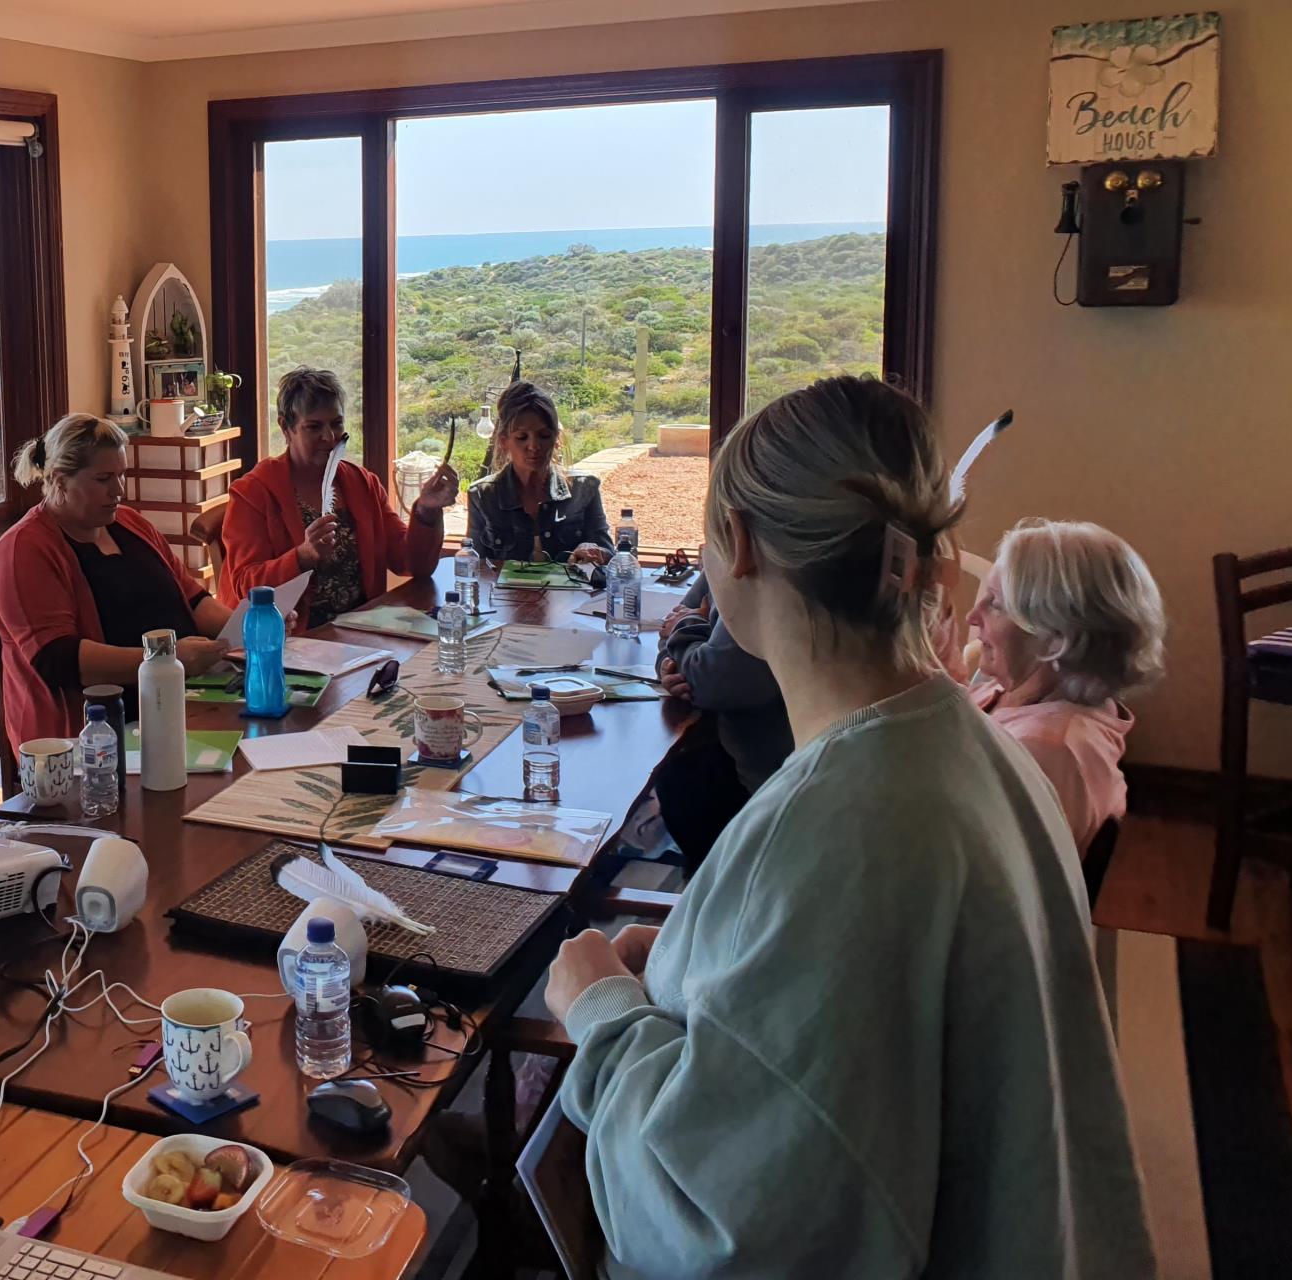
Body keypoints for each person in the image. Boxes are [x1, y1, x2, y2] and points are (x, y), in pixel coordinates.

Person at [545, 376, 1154, 1278]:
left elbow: (712, 1226)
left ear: (738, 548)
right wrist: (705, 948)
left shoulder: (838, 822)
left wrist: (599, 1013)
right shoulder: (967, 752)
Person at [0, 413, 233, 752]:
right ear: (59, 479)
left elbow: (191, 599)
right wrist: (165, 662)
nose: (118, 490)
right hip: (90, 733)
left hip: (175, 701)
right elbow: (60, 661)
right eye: (103, 479)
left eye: (121, 475)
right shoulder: (24, 551)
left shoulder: (130, 524)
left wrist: (247, 626)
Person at [963, 518, 1165, 853]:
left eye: (995, 603)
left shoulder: (1045, 751)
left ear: (1056, 634)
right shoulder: (1019, 696)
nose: (973, 615)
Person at [223, 367, 457, 625]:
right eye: (313, 427)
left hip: (362, 631)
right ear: (286, 428)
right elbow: (245, 585)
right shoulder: (253, 492)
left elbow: (411, 564)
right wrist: (302, 557)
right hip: (292, 639)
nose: (329, 437)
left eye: (336, 423)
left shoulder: (361, 484)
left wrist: (426, 510)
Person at [647, 573, 792, 868]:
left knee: (682, 785)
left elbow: (713, 679)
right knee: (679, 778)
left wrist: (686, 630)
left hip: (774, 783)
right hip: (740, 752)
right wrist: (667, 667)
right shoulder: (723, 553)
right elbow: (670, 631)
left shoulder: (763, 571)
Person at [464, 380, 613, 565]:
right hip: (506, 595)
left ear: (557, 440)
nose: (534, 446)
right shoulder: (482, 495)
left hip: (570, 595)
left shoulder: (584, 489)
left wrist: (596, 551)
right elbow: (474, 565)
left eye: (544, 436)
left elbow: (610, 556)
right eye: (522, 437)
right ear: (504, 441)